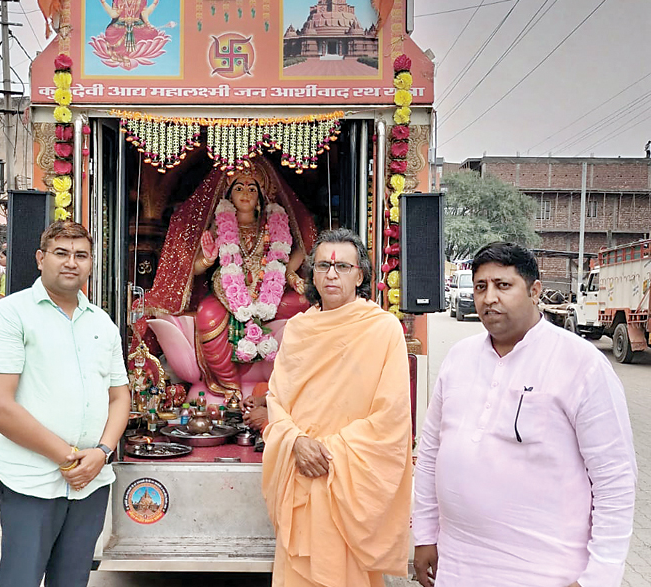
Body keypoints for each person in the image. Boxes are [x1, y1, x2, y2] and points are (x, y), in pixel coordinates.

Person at [413, 241, 637, 587]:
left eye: (503, 285)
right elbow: (430, 453)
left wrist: (599, 576)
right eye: (480, 287)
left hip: (545, 571)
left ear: (534, 291)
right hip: (457, 564)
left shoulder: (582, 363)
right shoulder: (459, 357)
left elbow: (615, 479)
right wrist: (425, 534)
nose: (489, 298)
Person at [0, 221, 131, 587]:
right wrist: (68, 457)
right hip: (31, 481)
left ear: (91, 263)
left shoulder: (103, 323)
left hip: (90, 482)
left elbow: (120, 395)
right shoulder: (10, 315)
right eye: (61, 253)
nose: (71, 262)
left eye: (81, 255)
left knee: (72, 580)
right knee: (20, 579)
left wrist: (102, 452)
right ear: (40, 258)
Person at [262, 228, 413, 586]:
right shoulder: (298, 329)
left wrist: (330, 452)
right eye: (323, 266)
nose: (332, 274)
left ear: (360, 275)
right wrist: (296, 442)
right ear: (312, 275)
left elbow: (391, 415)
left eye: (343, 266)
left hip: (349, 478)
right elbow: (276, 400)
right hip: (301, 470)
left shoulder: (382, 329)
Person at [139, 158, 316, 398]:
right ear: (229, 194)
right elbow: (195, 268)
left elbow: (299, 251)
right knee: (206, 315)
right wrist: (208, 259)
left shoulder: (273, 224)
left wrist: (287, 273)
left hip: (268, 291)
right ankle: (229, 387)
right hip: (227, 293)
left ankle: (283, 384)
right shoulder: (218, 225)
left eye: (252, 188)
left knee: (305, 305)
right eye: (239, 188)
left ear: (261, 195)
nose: (245, 194)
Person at [94, 0, 169, 70]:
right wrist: (103, 1)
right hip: (120, 24)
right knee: (110, 32)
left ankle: (127, 53)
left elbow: (144, 14)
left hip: (137, 25)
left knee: (152, 33)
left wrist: (155, 2)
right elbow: (114, 14)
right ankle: (124, 55)